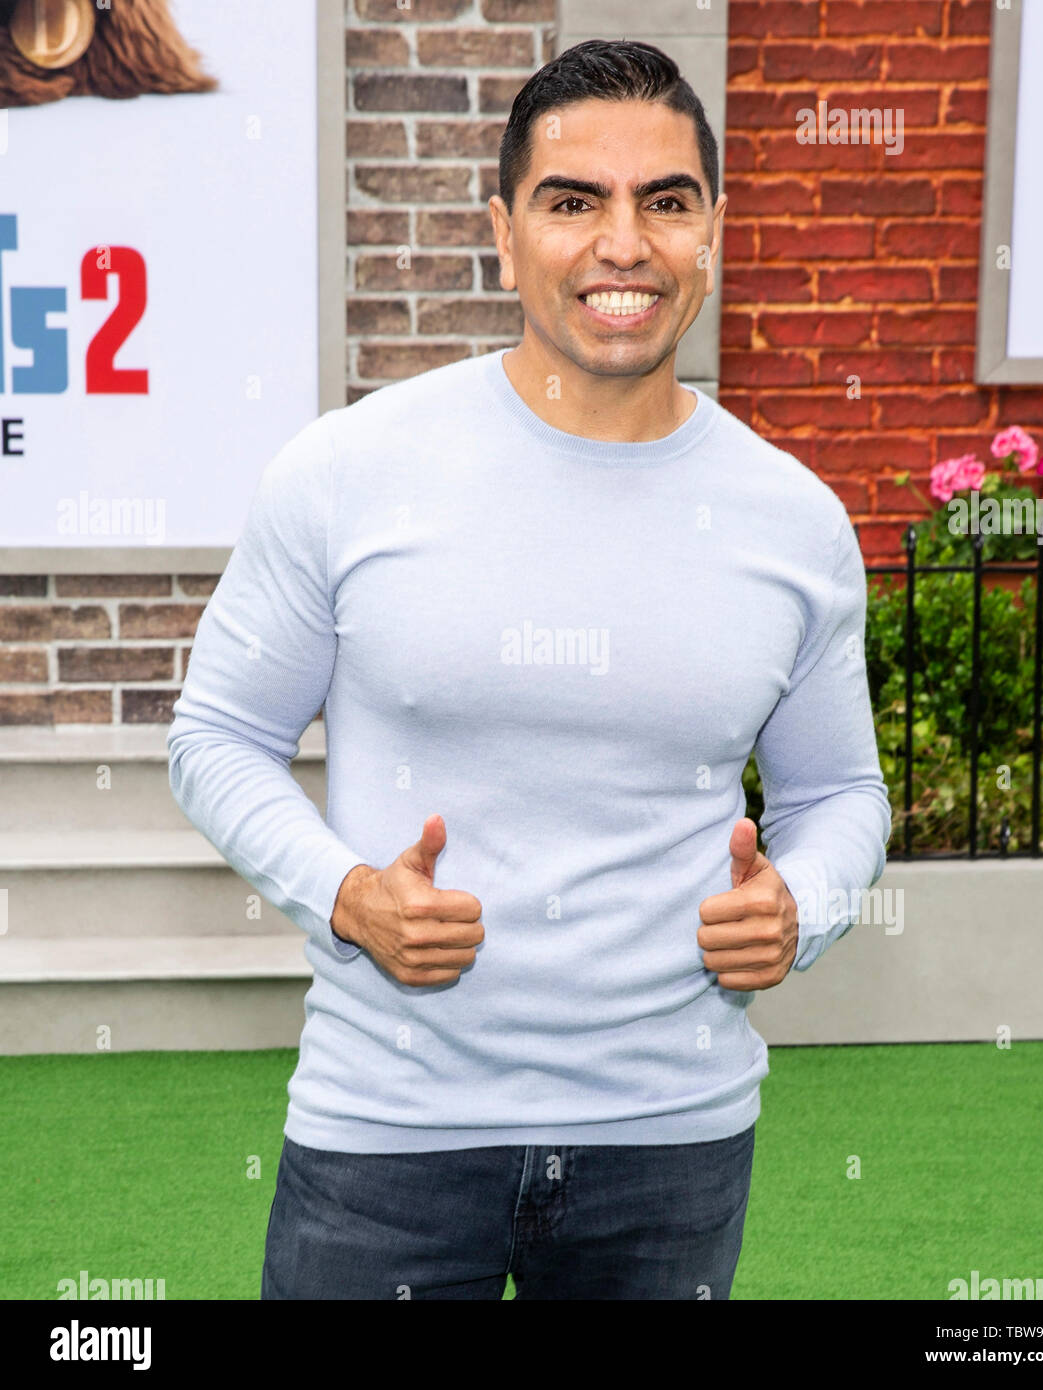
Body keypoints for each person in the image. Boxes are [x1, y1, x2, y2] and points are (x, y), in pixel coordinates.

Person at [167, 38, 891, 1301]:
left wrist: (802, 904)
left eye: (665, 201)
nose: (625, 243)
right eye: (575, 201)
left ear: (712, 232)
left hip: (670, 1139)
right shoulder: (348, 471)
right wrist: (347, 893)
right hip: (385, 1130)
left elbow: (841, 798)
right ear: (504, 234)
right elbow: (217, 733)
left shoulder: (794, 521)